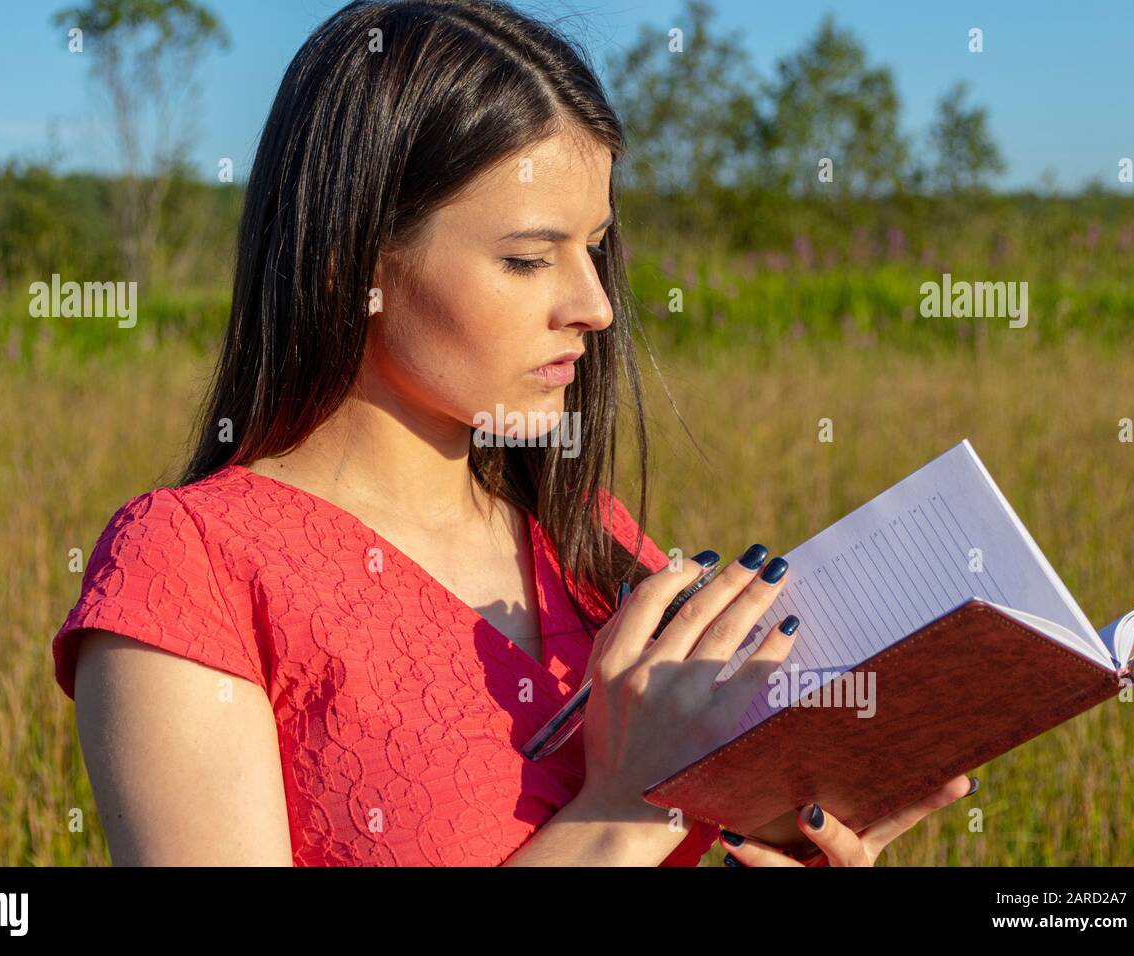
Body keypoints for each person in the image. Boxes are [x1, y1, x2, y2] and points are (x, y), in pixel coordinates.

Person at [51, 0, 972, 866]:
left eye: (595, 247)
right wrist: (624, 812)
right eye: (528, 259)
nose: (596, 306)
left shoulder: (593, 541)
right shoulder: (189, 568)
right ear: (347, 265)